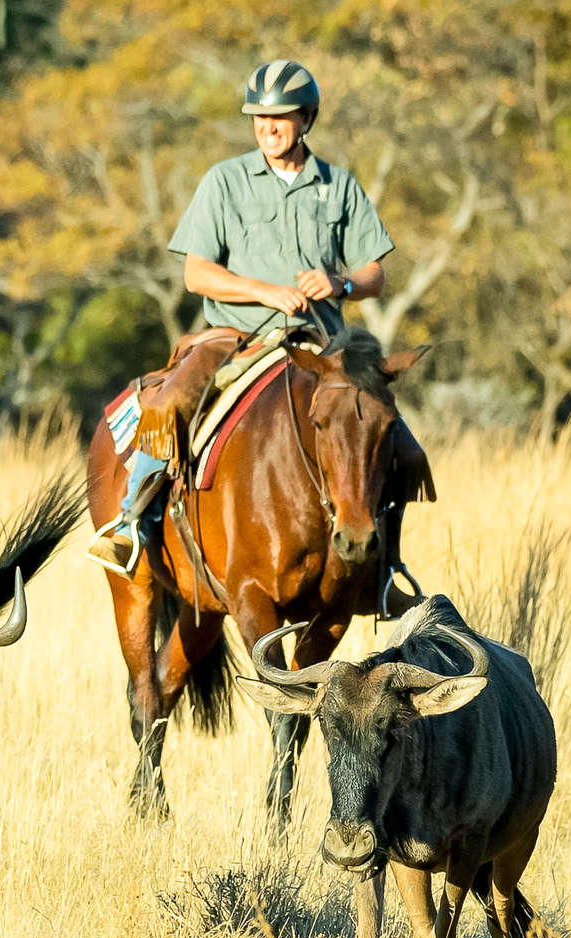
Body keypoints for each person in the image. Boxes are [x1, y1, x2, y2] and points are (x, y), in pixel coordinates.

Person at [88, 58, 402, 574]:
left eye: (279, 117)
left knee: (387, 429)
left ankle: (388, 569)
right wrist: (264, 292)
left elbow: (375, 274)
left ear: (307, 118)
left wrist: (341, 283)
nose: (268, 128)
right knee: (171, 404)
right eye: (258, 118)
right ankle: (129, 525)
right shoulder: (224, 181)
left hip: (322, 344)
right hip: (234, 337)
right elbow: (197, 274)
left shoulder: (339, 185)